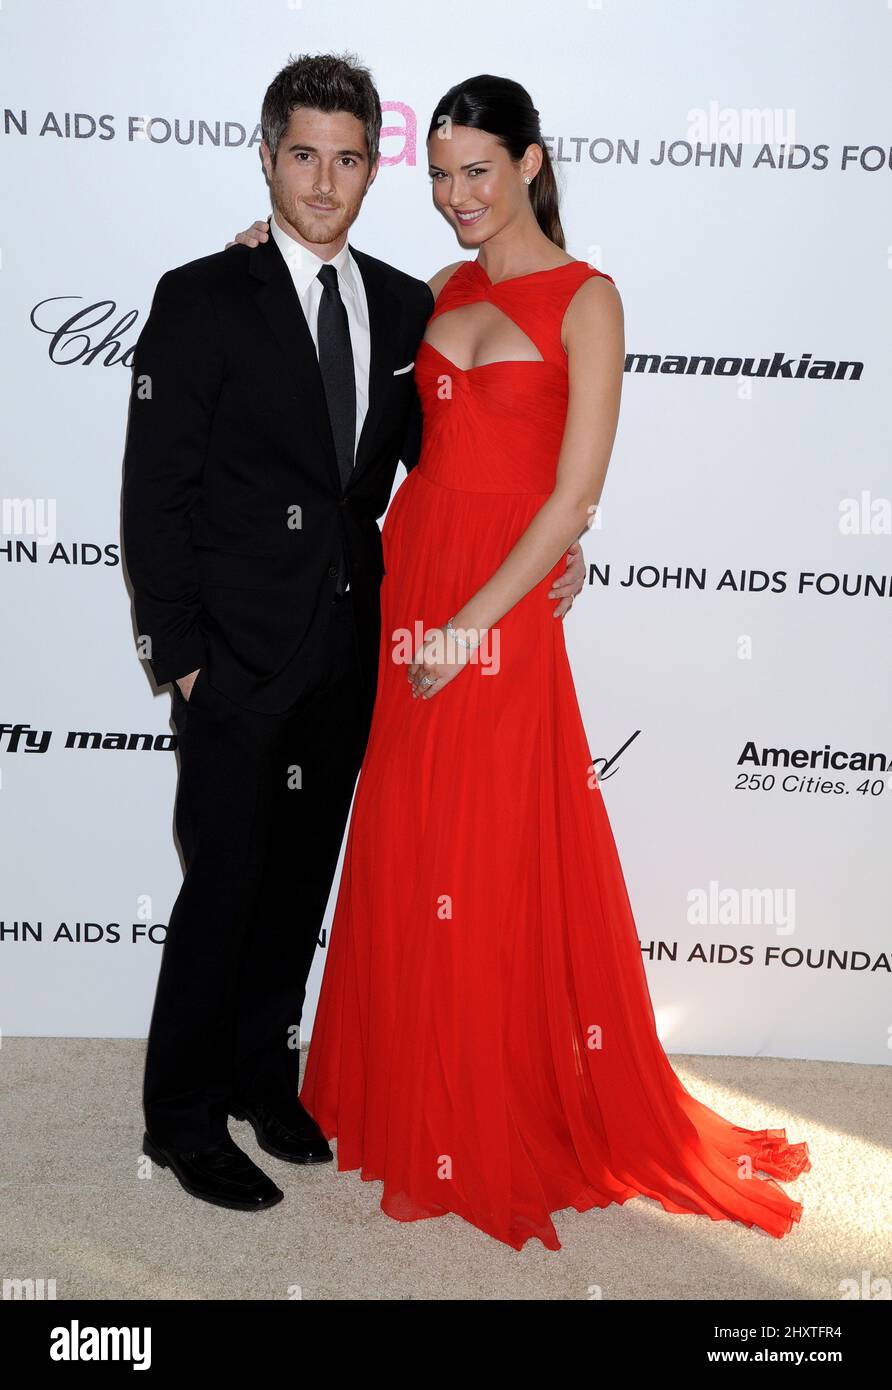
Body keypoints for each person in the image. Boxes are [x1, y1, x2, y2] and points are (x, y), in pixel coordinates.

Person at [234, 73, 811, 1251]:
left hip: (493, 610)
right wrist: (261, 251)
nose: (455, 197)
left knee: (493, 848)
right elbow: (351, 388)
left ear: (532, 164)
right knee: (406, 840)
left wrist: (478, 621)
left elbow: (572, 495)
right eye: (439, 176)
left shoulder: (587, 298)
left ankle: (493, 1107)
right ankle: (405, 1093)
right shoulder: (435, 290)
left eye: (478, 172)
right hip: (410, 587)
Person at [121, 54, 586, 1213]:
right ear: (267, 155)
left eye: (347, 157)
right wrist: (177, 649)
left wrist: (559, 541)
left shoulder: (412, 300)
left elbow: (464, 461)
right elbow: (152, 492)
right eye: (302, 155)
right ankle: (181, 1118)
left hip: (352, 649)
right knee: (221, 883)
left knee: (296, 887)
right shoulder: (200, 293)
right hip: (230, 652)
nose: (324, 181)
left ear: (370, 168)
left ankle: (264, 1084)